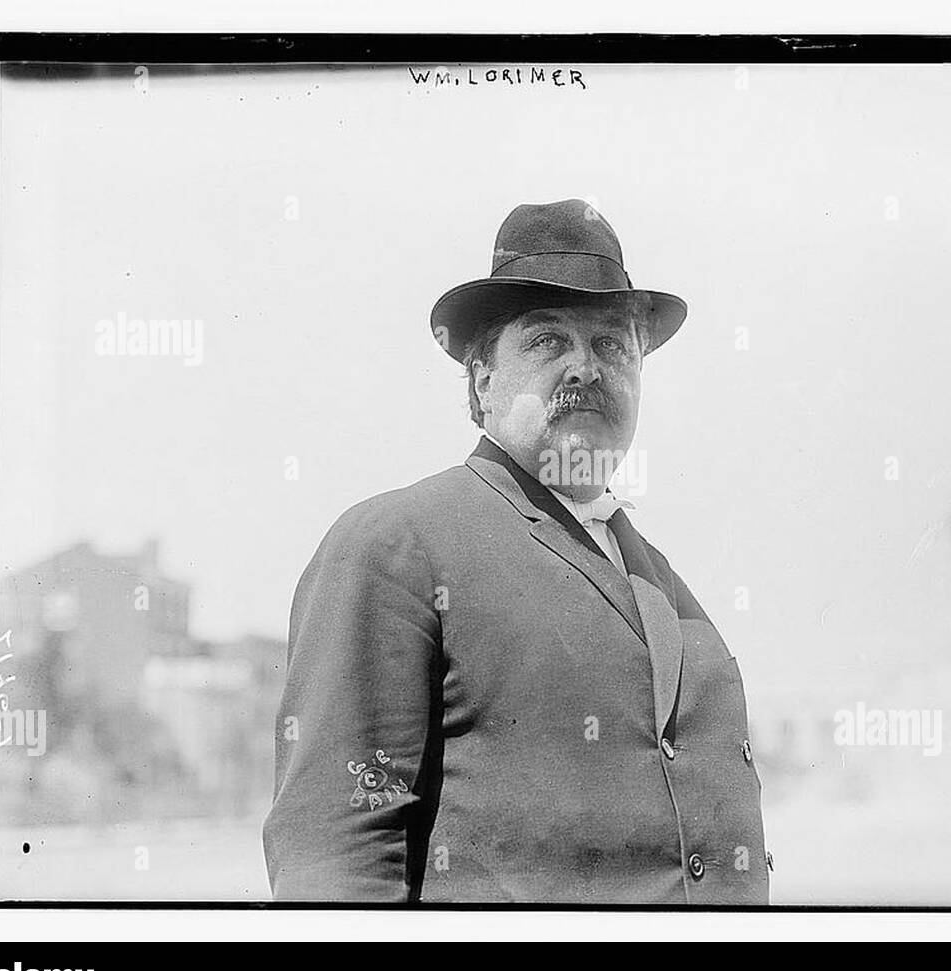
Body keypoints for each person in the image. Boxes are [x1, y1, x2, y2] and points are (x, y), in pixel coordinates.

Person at [263, 198, 769, 903]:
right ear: (482, 380)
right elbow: (335, 858)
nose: (586, 369)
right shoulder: (395, 545)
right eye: (547, 341)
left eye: (613, 346)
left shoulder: (660, 581)